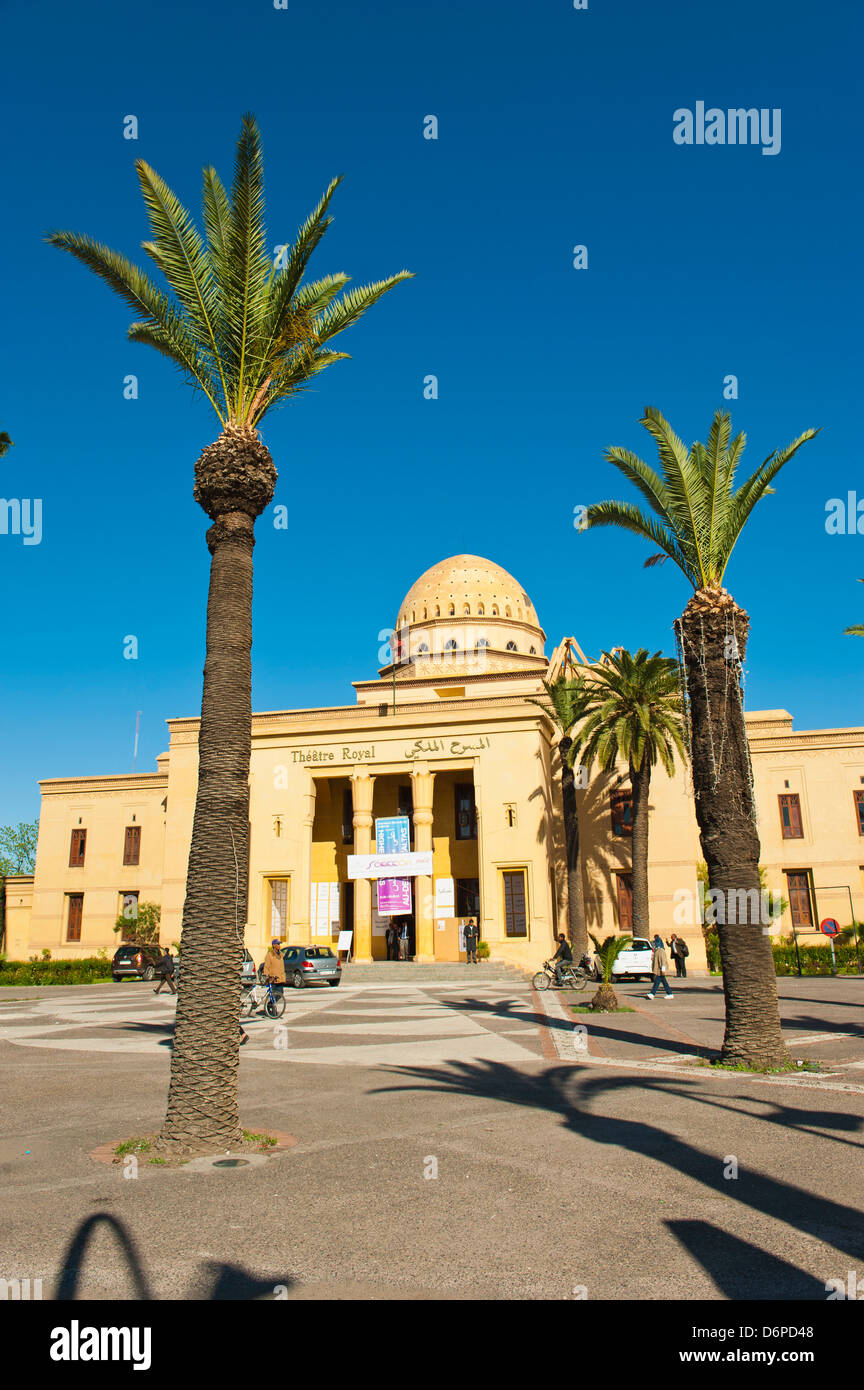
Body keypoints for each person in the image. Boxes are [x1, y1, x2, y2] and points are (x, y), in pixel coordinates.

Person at [646, 933, 673, 999]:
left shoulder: (660, 950)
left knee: (657, 982)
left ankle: (652, 993)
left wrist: (663, 969)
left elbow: (662, 960)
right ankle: (669, 993)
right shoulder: (657, 950)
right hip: (659, 969)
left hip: (660, 969)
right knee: (662, 981)